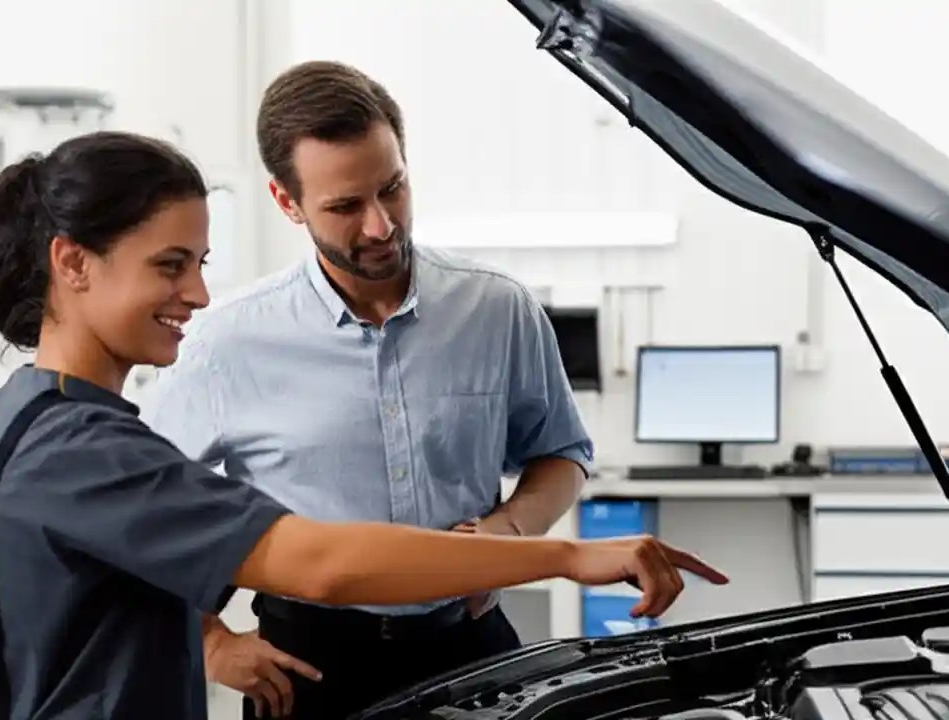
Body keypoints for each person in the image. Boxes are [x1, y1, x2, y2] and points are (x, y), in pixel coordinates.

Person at [0, 131, 728, 720]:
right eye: (170, 265)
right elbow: (319, 563)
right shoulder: (82, 451)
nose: (200, 294)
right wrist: (565, 554)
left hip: (460, 637)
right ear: (72, 263)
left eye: (201, 263)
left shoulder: (14, 420)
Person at [138, 61, 606, 718]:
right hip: (309, 671)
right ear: (286, 201)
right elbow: (142, 516)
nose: (381, 225)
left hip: (472, 654)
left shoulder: (497, 311)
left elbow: (562, 453)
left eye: (393, 189)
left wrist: (511, 527)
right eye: (346, 206)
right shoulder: (223, 344)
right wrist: (209, 639)